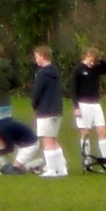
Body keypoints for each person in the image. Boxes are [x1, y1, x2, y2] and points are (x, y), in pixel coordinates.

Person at [71, 48, 106, 164]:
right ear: (86, 56)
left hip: (95, 104)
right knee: (85, 132)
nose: (92, 64)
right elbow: (73, 89)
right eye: (91, 61)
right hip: (83, 104)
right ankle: (86, 159)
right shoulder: (79, 70)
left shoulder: (97, 68)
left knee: (102, 131)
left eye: (94, 62)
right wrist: (76, 107)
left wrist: (101, 60)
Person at [31, 45, 67, 177]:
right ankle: (62, 168)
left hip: (45, 110)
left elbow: (37, 92)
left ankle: (51, 169)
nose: (36, 60)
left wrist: (34, 105)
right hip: (57, 110)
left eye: (36, 57)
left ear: (42, 56)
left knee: (47, 140)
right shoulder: (55, 71)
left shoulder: (41, 73)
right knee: (53, 139)